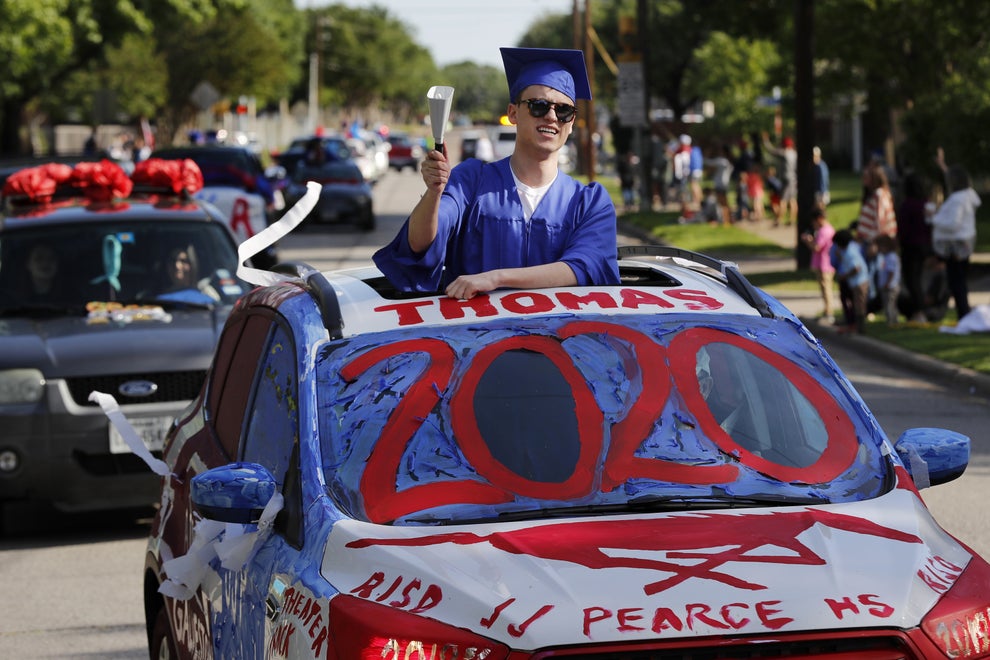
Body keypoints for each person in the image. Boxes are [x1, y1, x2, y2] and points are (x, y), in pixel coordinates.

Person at [374, 47, 620, 298]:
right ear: (513, 113)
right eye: (538, 106)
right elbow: (419, 244)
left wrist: (497, 278)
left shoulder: (589, 202)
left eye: (563, 110)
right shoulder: (471, 181)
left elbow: (583, 267)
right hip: (473, 324)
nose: (551, 117)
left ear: (571, 122)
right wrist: (433, 193)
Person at [930, 149, 980, 320]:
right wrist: (942, 165)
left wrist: (935, 218)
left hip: (956, 245)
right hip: (965, 242)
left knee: (957, 282)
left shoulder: (958, 200)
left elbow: (953, 223)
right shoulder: (968, 195)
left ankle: (963, 314)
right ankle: (964, 314)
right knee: (960, 280)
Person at [896, 171, 933, 321]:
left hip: (911, 246)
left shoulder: (907, 205)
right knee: (917, 278)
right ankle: (918, 309)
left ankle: (919, 310)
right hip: (924, 246)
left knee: (912, 279)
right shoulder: (926, 204)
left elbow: (903, 228)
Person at [801, 207, 836, 322]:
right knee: (824, 288)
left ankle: (829, 312)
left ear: (819, 219)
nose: (813, 224)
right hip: (825, 264)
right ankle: (827, 310)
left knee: (826, 289)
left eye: (814, 221)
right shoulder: (828, 229)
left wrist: (808, 241)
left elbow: (816, 247)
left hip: (825, 264)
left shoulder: (824, 231)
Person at [833, 229, 870, 334]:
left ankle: (860, 327)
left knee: (859, 305)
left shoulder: (850, 252)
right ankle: (856, 326)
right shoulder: (850, 248)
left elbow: (856, 268)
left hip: (859, 282)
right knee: (857, 304)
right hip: (857, 282)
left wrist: (845, 276)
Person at [761, 132, 797, 225]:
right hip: (794, 179)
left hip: (786, 179)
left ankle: (778, 220)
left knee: (783, 200)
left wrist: (766, 141)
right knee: (792, 199)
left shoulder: (784, 153)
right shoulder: (794, 154)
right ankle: (792, 219)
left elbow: (771, 150)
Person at [876, 234, 901, 325]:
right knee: (889, 304)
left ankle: (892, 322)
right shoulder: (886, 256)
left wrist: (887, 283)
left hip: (890, 286)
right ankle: (892, 320)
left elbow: (891, 272)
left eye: (880, 247)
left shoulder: (891, 257)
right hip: (888, 285)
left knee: (890, 305)